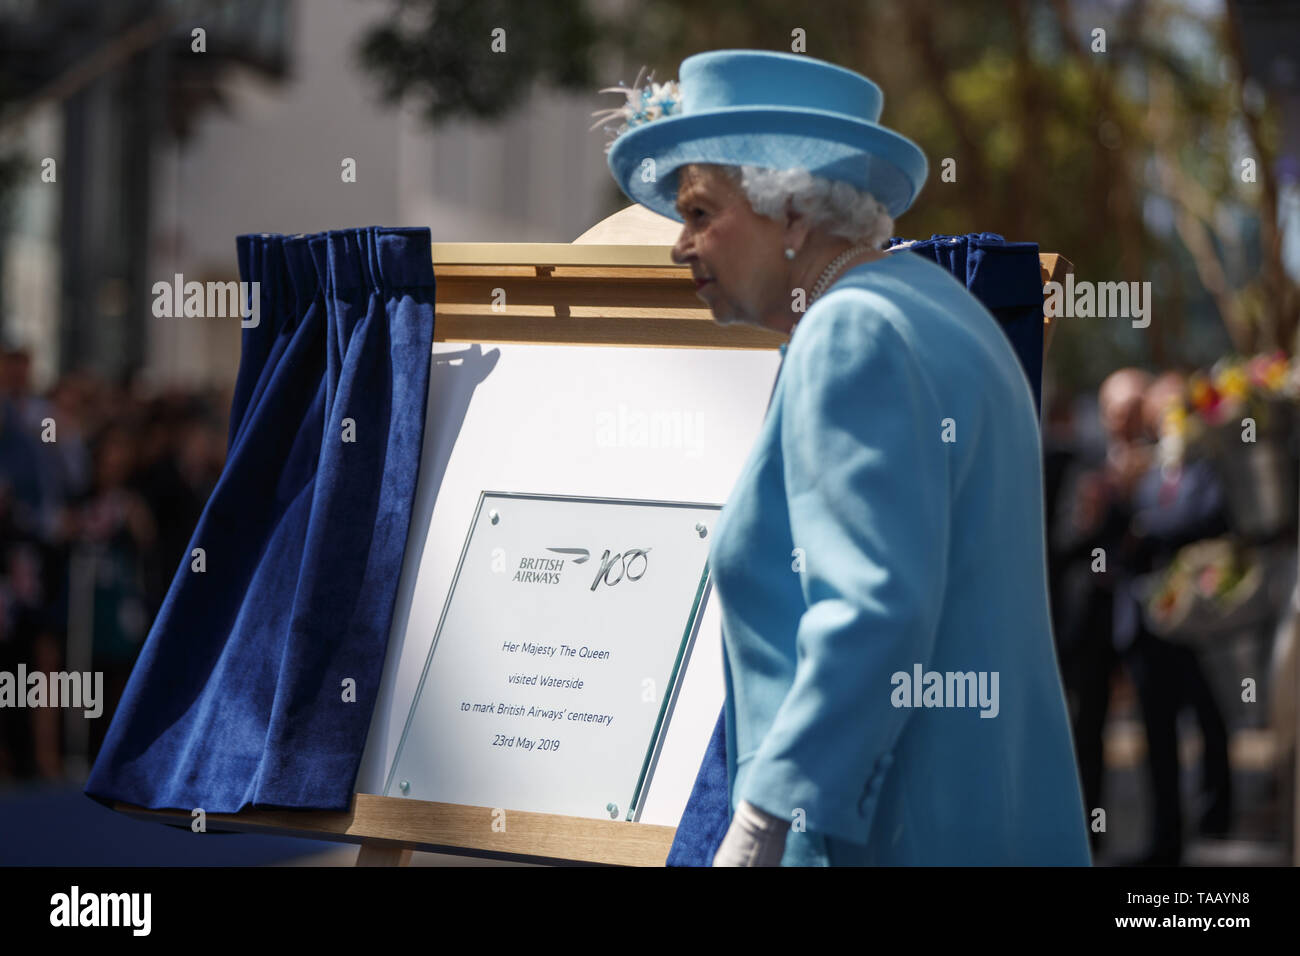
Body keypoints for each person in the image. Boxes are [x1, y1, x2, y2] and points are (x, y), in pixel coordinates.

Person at [600, 49, 1090, 865]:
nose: (679, 246)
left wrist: (761, 819)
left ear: (790, 212)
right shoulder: (941, 307)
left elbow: (873, 611)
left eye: (697, 212)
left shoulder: (847, 330)